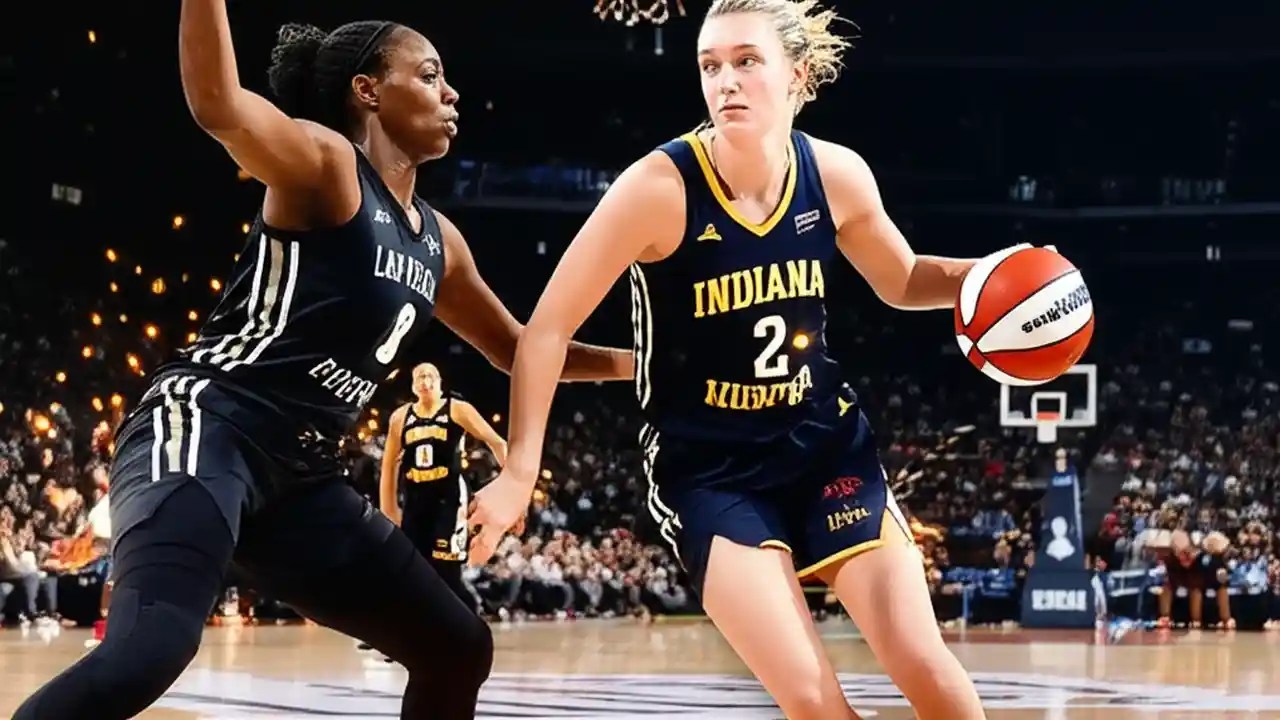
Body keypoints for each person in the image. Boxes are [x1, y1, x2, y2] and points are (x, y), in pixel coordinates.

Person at [12, 3, 631, 719]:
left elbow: (520, 352)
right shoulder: (328, 165)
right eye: (429, 75)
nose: (451, 92)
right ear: (368, 90)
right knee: (148, 648)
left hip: (301, 476)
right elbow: (218, 104)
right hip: (211, 427)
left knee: (456, 646)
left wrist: (647, 364)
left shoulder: (441, 242)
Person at [467, 1, 989, 718]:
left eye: (747, 61)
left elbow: (901, 280)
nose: (726, 81)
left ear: (796, 74)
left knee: (922, 660)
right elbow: (547, 330)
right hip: (710, 468)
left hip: (824, 444)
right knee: (813, 699)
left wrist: (996, 277)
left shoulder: (836, 174)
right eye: (710, 66)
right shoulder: (657, 188)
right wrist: (521, 470)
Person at [380, 362, 507, 608]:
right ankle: (409, 623)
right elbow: (389, 465)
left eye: (430, 376)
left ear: (440, 382)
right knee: (413, 566)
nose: (425, 381)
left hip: (449, 496)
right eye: (419, 377)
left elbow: (498, 442)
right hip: (415, 496)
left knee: (445, 568)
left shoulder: (457, 409)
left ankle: (470, 618)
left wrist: (509, 485)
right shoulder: (400, 417)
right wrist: (389, 508)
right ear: (413, 386)